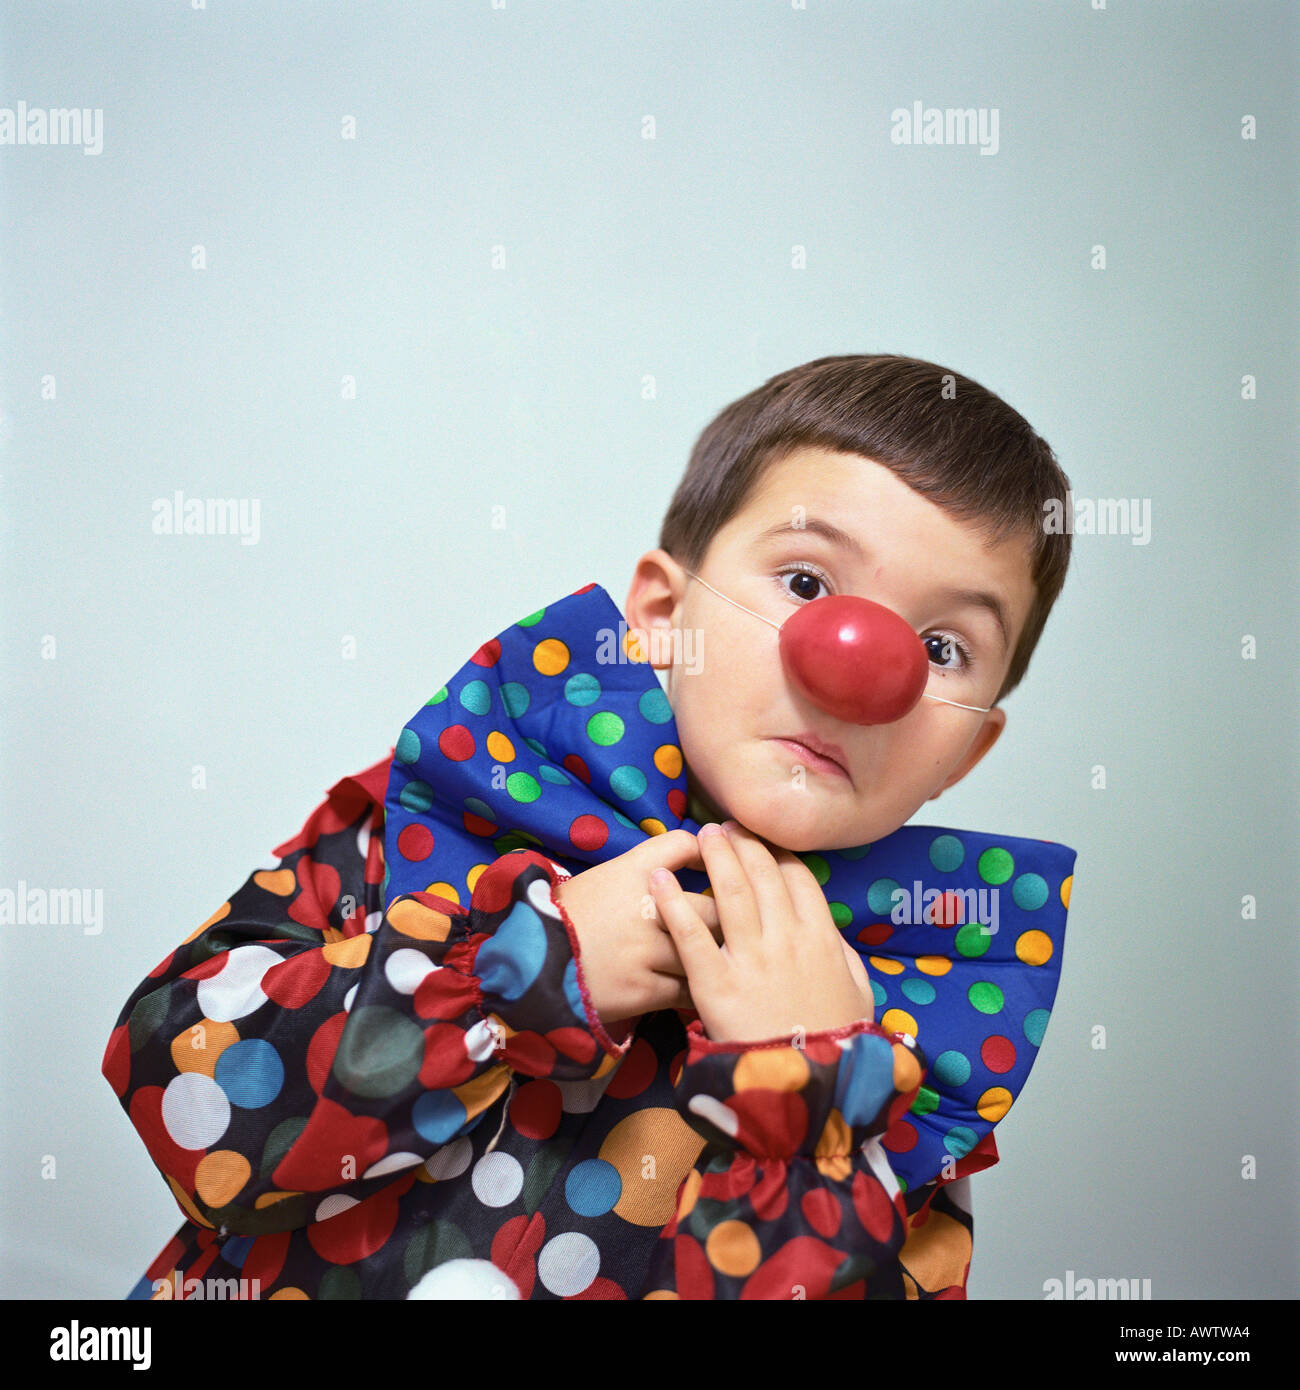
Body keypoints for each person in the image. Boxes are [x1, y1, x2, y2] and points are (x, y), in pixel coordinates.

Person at [103, 354, 1078, 1300]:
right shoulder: (457, 804)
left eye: (941, 646)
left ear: (963, 753)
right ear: (660, 609)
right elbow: (175, 1080)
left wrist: (804, 1093)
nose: (863, 663)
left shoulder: (904, 1036)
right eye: (808, 583)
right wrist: (517, 972)